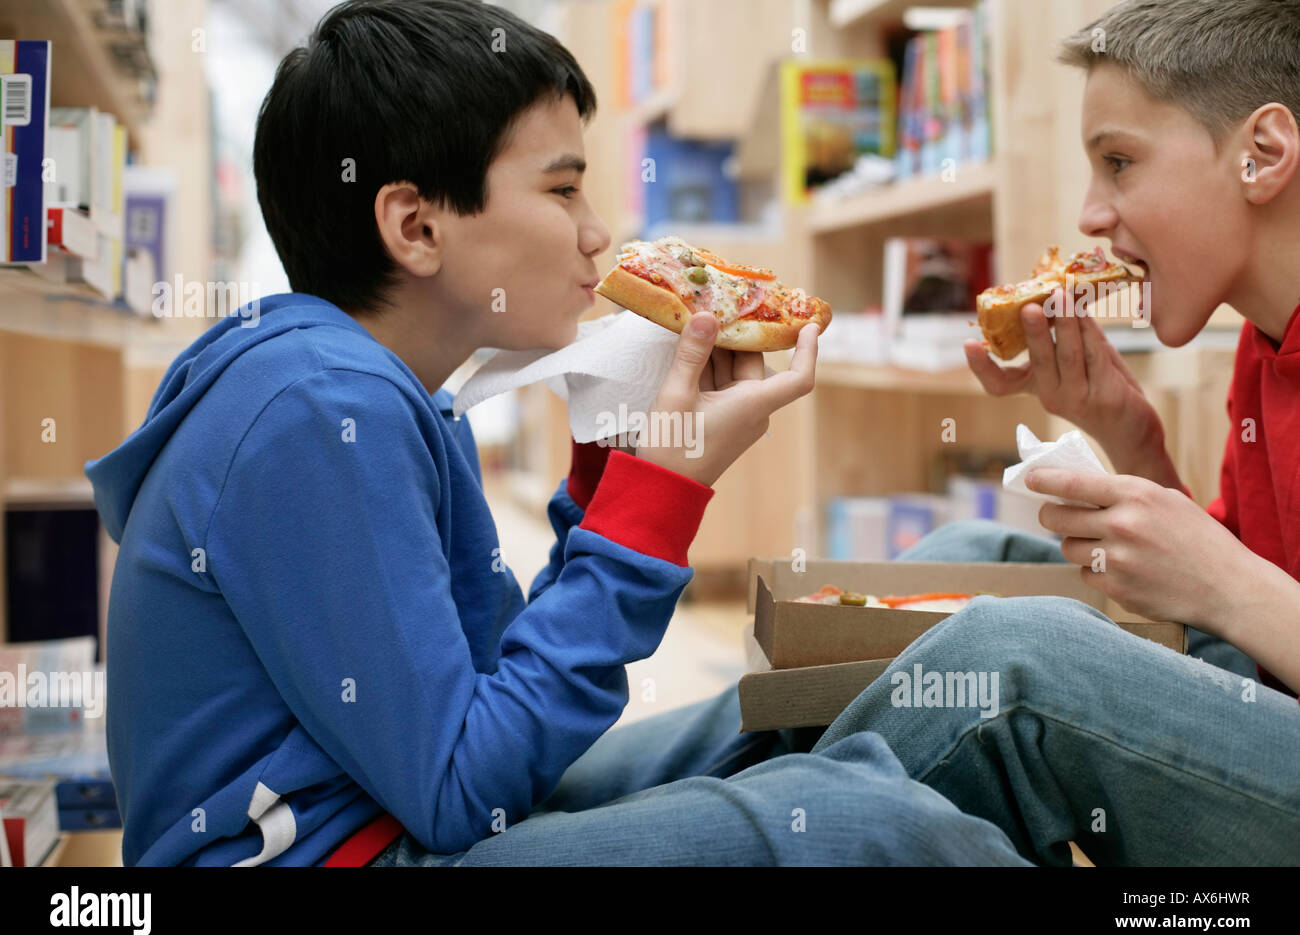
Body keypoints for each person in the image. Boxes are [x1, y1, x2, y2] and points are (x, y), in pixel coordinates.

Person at [85, 0, 1028, 866]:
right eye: (564, 189)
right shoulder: (322, 411)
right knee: (864, 822)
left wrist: (612, 464)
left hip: (389, 810)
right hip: (350, 848)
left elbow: (497, 699)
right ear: (416, 226)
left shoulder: (388, 394)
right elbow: (468, 787)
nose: (598, 231)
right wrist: (656, 501)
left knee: (801, 719)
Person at [811, 0, 1300, 866]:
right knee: (975, 551)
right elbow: (1244, 628)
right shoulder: (1263, 349)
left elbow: (1234, 598)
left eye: (1119, 162)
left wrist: (1222, 581)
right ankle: (728, 803)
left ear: (1263, 154)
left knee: (1017, 663)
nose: (1089, 214)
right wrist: (1125, 430)